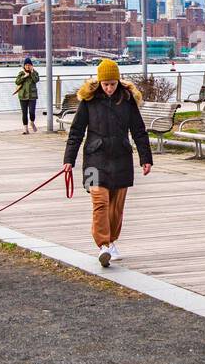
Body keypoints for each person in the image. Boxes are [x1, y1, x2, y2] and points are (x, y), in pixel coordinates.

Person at [63, 59, 153, 268]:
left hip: (121, 157)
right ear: (100, 82)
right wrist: (69, 160)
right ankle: (103, 245)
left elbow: (139, 131)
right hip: (94, 160)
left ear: (118, 81)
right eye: (106, 84)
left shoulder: (127, 100)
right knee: (100, 202)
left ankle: (112, 241)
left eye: (113, 84)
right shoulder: (89, 101)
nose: (110, 88)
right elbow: (76, 132)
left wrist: (145, 159)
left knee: (116, 207)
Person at [14, 57, 40, 134]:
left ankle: (32, 122)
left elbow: (36, 80)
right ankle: (25, 129)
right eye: (26, 65)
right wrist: (24, 76)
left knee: (32, 112)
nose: (27, 66)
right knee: (24, 113)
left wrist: (31, 73)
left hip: (32, 96)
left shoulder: (35, 73)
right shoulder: (21, 73)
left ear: (31, 66)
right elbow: (17, 82)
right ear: (24, 66)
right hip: (23, 95)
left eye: (29, 65)